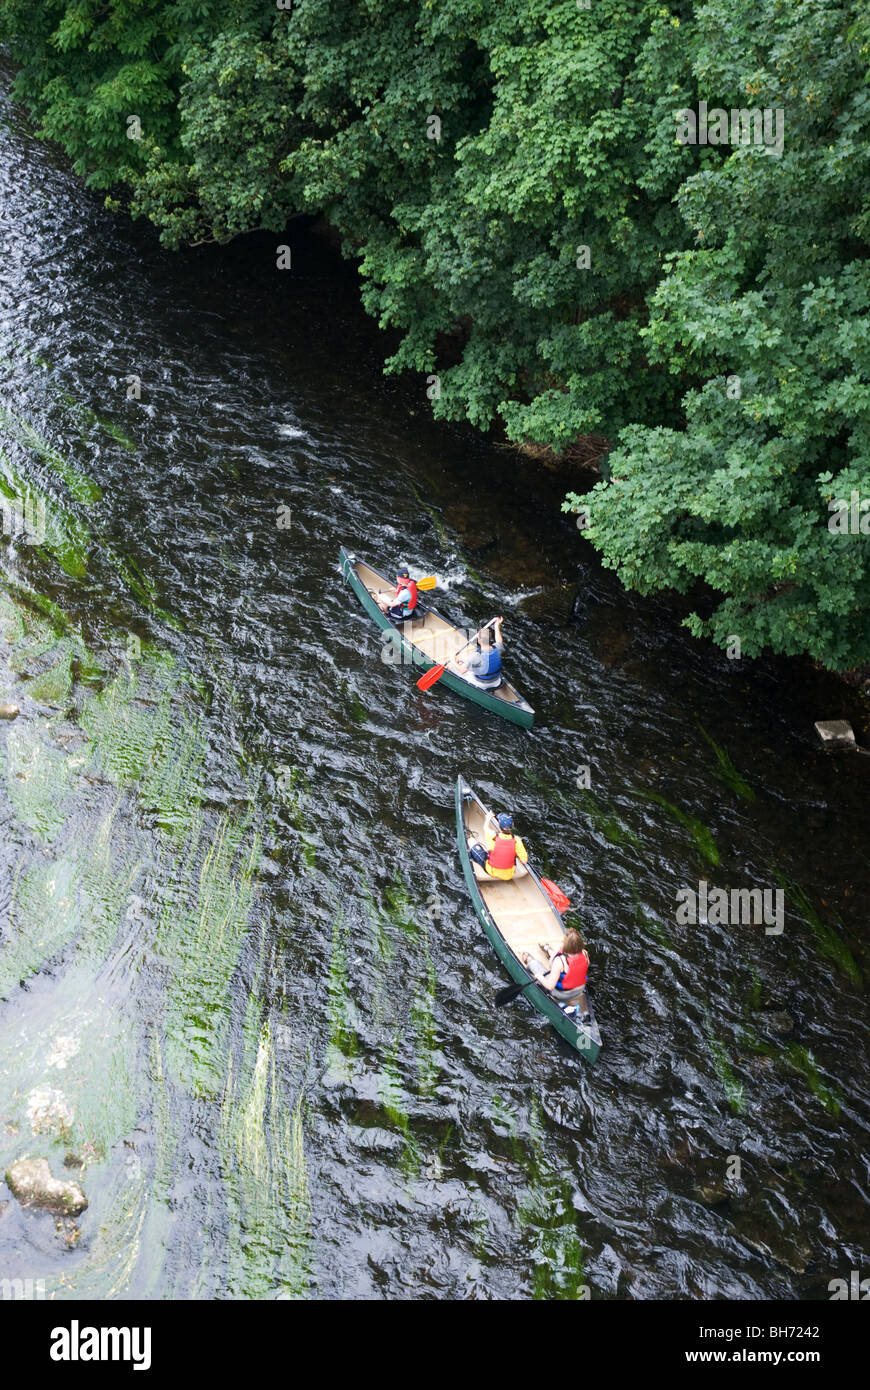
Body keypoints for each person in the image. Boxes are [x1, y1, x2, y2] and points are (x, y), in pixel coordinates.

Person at [522, 929, 591, 1021]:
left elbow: (550, 986)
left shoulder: (560, 961)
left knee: (536, 967)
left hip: (561, 994)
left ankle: (530, 960)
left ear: (566, 944)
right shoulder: (584, 954)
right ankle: (548, 949)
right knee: (557, 959)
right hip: (579, 990)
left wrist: (540, 978)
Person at [469, 810, 528, 880]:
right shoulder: (516, 840)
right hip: (509, 874)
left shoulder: (493, 836)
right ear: (513, 825)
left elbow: (485, 828)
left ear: (499, 825)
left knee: (471, 841)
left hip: (492, 871)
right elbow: (524, 861)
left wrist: (488, 818)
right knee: (514, 853)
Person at [456, 617, 504, 687]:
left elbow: (462, 671)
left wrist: (453, 660)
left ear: (479, 640)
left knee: (455, 669)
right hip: (496, 681)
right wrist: (496, 626)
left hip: (481, 683)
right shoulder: (499, 648)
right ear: (490, 639)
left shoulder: (476, 656)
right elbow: (499, 640)